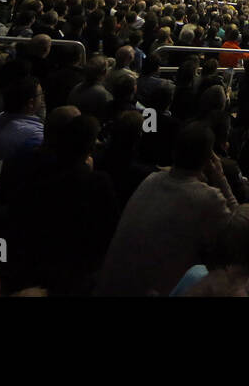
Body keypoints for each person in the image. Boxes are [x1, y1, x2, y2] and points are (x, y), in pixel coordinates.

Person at [94, 122, 239, 296]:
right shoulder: (209, 199)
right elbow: (244, 234)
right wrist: (220, 178)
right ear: (209, 161)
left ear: (174, 153)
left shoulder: (151, 179)